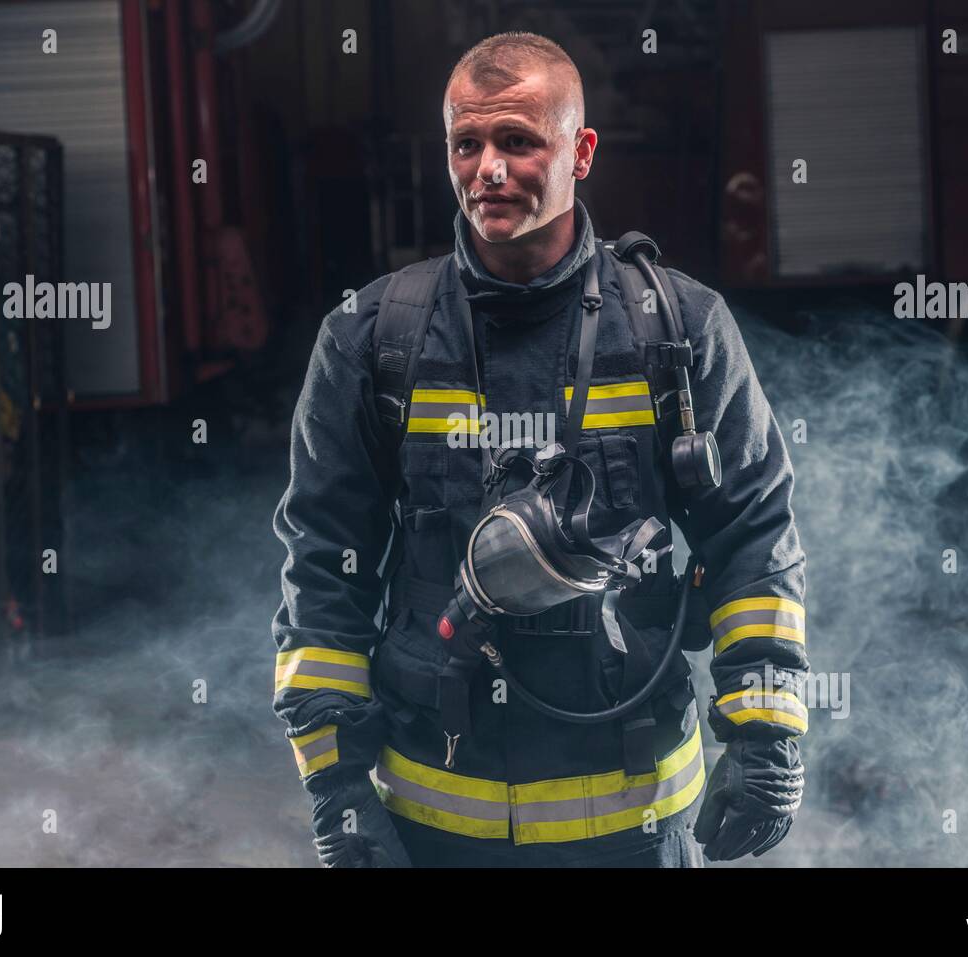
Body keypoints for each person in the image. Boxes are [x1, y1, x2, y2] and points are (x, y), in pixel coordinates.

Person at [272, 31, 808, 868]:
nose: (489, 168)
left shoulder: (678, 329)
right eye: (467, 143)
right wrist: (336, 790)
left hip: (636, 821)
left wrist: (766, 728)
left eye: (518, 141)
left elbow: (754, 539)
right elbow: (323, 567)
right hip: (432, 823)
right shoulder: (372, 338)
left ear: (580, 151)